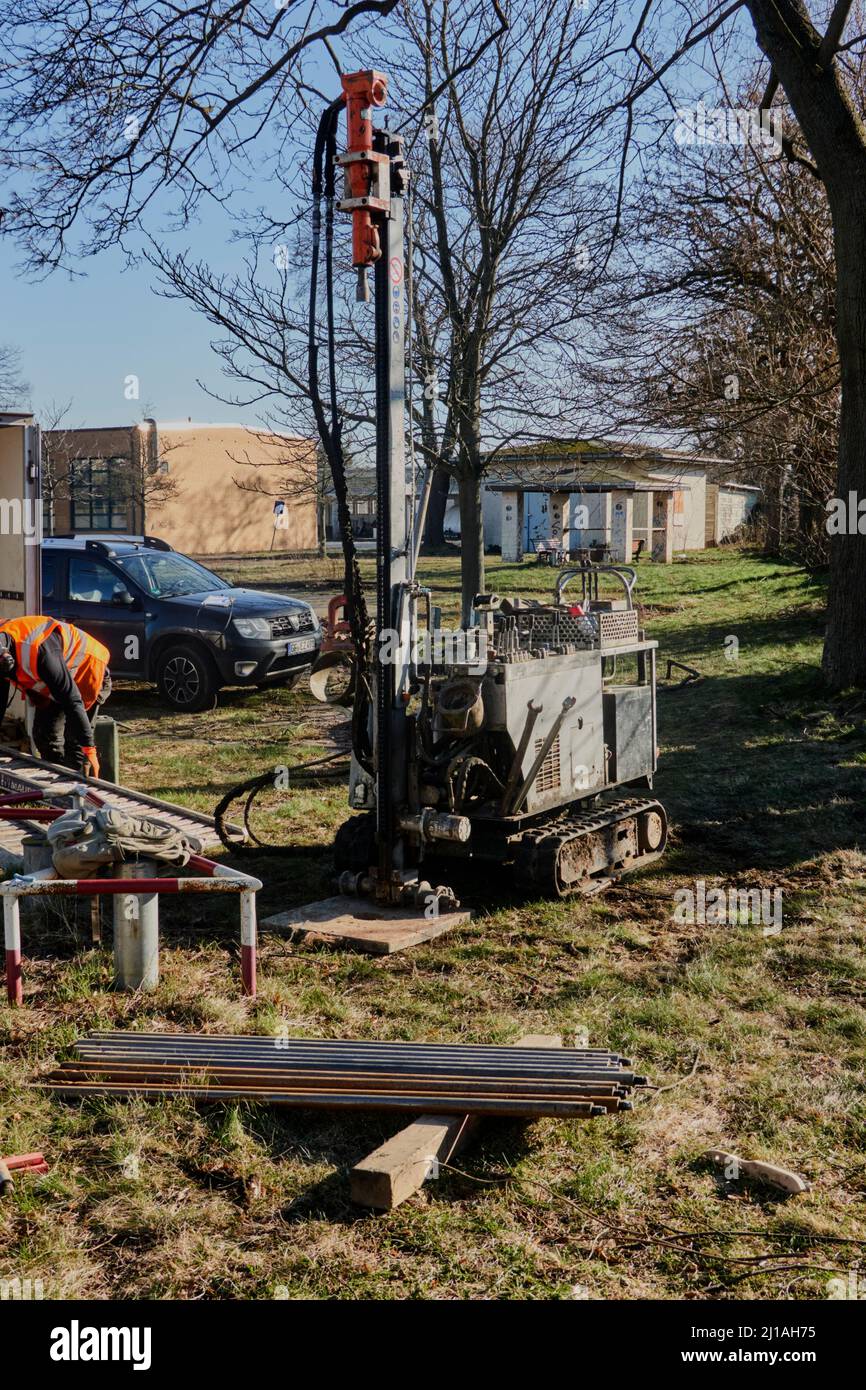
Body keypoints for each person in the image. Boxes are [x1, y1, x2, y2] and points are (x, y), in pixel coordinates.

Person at [0, 615, 111, 778]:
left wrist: (89, 748)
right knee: (44, 736)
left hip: (87, 672)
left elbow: (72, 700)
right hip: (54, 681)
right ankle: (56, 787)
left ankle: (78, 793)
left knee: (76, 747)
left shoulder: (40, 649)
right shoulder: (3, 645)